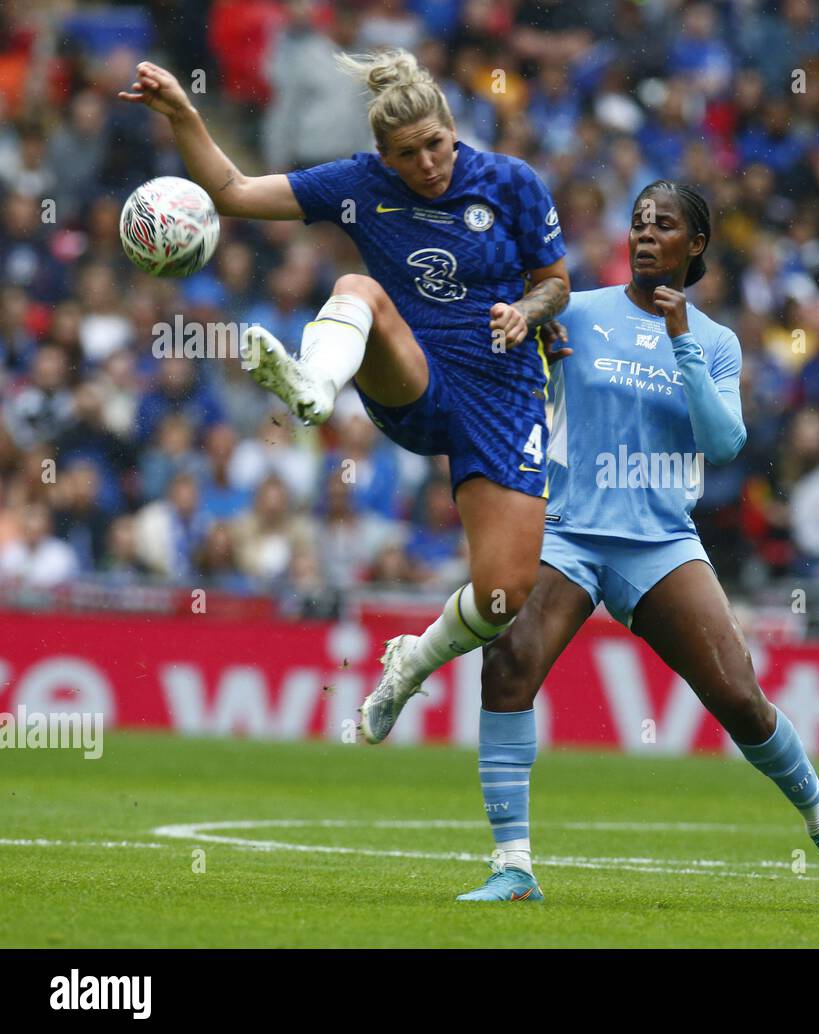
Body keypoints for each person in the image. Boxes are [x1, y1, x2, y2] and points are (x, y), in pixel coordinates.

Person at [363, 181, 819, 903]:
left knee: (739, 697)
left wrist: (682, 342)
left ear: (694, 244)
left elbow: (724, 441)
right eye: (638, 222)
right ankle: (514, 867)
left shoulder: (717, 340)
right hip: (569, 533)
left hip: (661, 541)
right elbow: (512, 346)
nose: (644, 235)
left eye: (663, 226)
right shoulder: (575, 310)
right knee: (507, 665)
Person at [119, 50, 570, 691]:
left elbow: (556, 283)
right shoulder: (361, 186)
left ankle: (413, 662)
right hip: (415, 377)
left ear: (451, 127)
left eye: (436, 146)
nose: (426, 165)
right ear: (382, 156)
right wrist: (184, 114)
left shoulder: (511, 182)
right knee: (358, 286)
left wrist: (527, 308)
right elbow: (232, 193)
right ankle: (315, 383)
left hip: (505, 394)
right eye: (407, 155)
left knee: (504, 594)